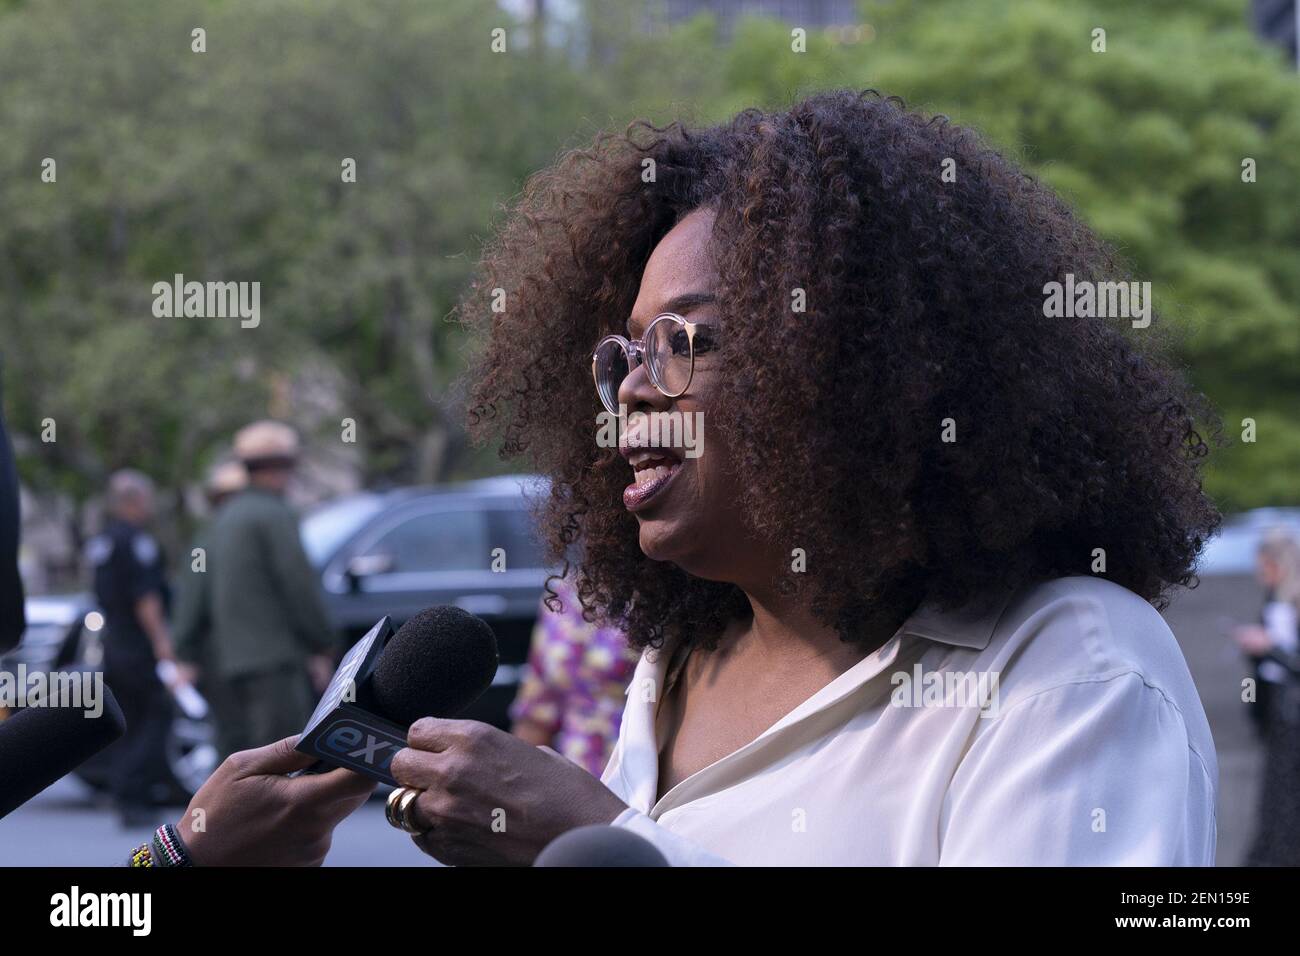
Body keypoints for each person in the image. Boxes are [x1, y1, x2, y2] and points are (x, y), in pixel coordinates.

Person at [156, 90, 1223, 866]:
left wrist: (608, 842)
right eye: (624, 353)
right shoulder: (678, 659)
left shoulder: (1074, 669)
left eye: (684, 341)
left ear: (857, 370)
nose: (632, 391)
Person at [196, 421, 335, 759]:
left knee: (243, 760)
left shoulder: (224, 518)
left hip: (230, 660)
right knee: (281, 759)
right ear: (280, 467)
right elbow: (297, 585)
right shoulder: (275, 514)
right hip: (274, 660)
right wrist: (322, 642)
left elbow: (198, 591)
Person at [87, 470, 189, 826]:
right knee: (155, 716)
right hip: (138, 645)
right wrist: (162, 641)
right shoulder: (136, 542)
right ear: (133, 501)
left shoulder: (103, 541)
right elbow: (145, 599)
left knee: (128, 720)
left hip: (113, 642)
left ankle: (125, 793)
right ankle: (136, 794)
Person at [509, 576, 638, 776]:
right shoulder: (561, 595)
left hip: (638, 776)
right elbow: (537, 713)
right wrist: (519, 782)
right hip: (575, 779)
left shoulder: (659, 596)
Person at [1233, 528, 1300, 866]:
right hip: (1278, 712)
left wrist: (1269, 648)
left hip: (1293, 717)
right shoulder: (1275, 600)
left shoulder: (1293, 602)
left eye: (1265, 567)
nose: (1261, 575)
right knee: (1275, 798)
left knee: (1285, 799)